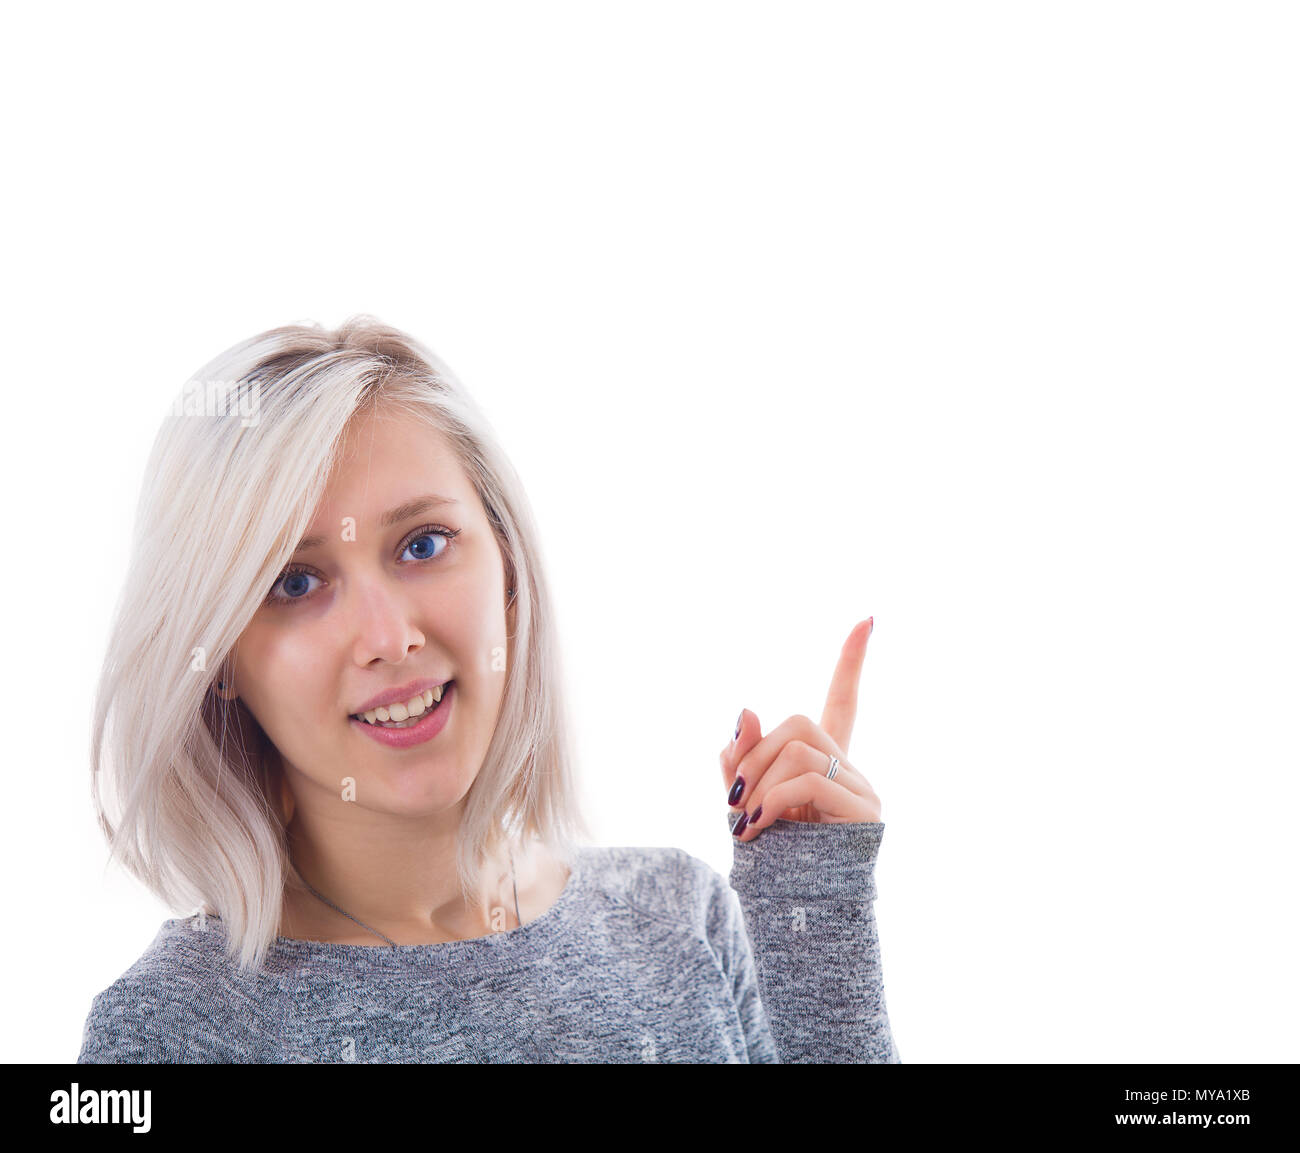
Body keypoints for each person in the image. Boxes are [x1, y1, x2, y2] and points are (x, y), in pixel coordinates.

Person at [76, 316, 900, 1063]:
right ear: (216, 652)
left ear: (507, 566)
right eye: (294, 582)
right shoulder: (171, 1033)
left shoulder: (681, 918)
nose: (390, 635)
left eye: (423, 543)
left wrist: (815, 927)